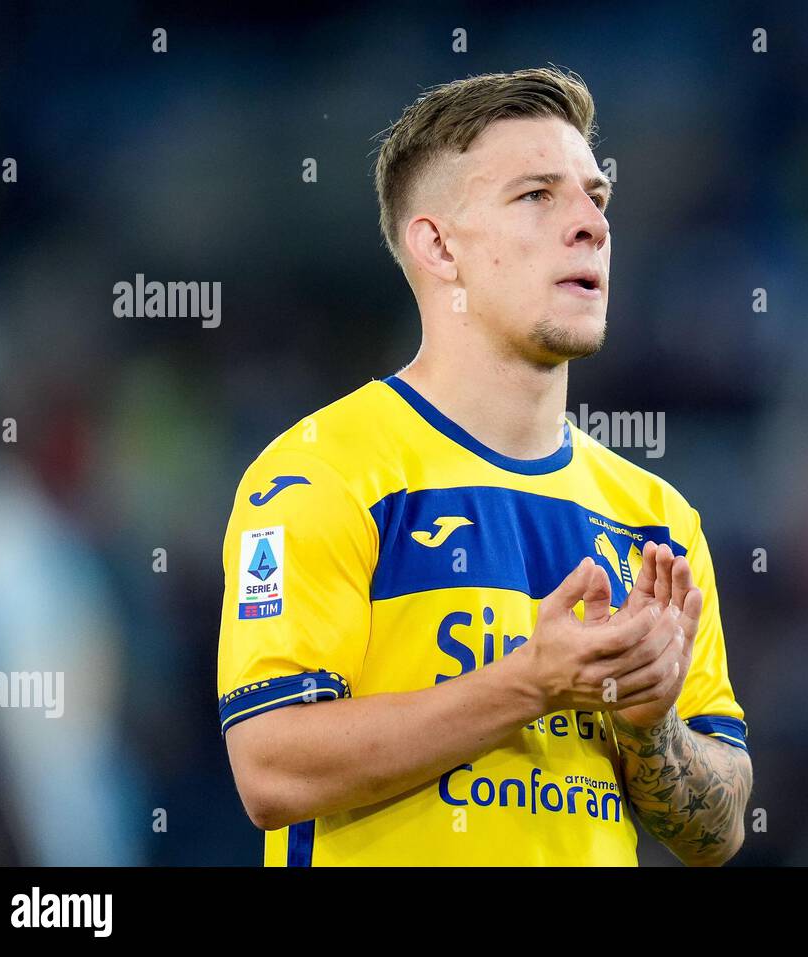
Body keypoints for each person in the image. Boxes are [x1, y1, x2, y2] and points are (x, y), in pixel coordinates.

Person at [216, 67, 751, 866]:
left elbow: (721, 831)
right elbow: (271, 767)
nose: (590, 225)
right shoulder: (321, 473)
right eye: (537, 195)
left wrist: (649, 722)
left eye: (596, 197)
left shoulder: (656, 517)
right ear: (438, 246)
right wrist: (533, 682)